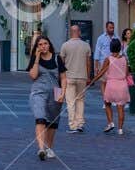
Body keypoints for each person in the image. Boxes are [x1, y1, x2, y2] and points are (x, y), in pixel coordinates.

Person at [28, 33, 66, 161]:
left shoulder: (57, 58)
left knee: (52, 122)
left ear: (49, 44)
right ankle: (41, 149)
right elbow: (33, 76)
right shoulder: (35, 59)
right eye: (40, 45)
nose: (43, 46)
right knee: (40, 118)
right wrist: (37, 58)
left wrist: (63, 93)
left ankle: (49, 147)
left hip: (55, 92)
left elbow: (63, 77)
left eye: (45, 44)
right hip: (38, 92)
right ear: (37, 47)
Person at [60, 23, 93, 133]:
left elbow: (62, 63)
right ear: (79, 32)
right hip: (82, 76)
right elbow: (88, 63)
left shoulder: (65, 45)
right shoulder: (86, 45)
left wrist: (61, 77)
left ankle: (73, 125)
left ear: (71, 33)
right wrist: (88, 76)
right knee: (80, 100)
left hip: (69, 77)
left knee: (70, 101)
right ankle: (80, 123)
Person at [96, 34, 130, 136]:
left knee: (107, 103)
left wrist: (93, 80)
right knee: (121, 108)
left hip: (111, 84)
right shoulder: (125, 59)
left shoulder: (108, 59)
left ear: (111, 48)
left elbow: (101, 72)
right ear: (120, 48)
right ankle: (120, 129)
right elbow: (126, 74)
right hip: (122, 84)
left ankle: (110, 122)